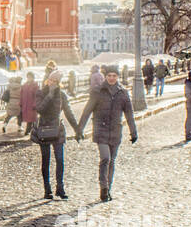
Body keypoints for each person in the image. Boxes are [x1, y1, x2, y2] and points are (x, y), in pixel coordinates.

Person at [77, 64, 138, 202]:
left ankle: (108, 188)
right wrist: (80, 129)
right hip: (101, 130)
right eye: (109, 75)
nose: (111, 78)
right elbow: (87, 111)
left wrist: (133, 132)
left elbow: (129, 114)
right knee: (105, 158)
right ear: (105, 76)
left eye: (114, 76)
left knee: (112, 161)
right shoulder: (97, 91)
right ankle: (103, 188)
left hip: (115, 131)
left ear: (117, 77)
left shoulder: (123, 92)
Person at [33, 69, 80, 200]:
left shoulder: (62, 95)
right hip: (43, 129)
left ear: (59, 83)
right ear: (47, 80)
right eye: (51, 80)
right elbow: (40, 109)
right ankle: (47, 189)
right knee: (45, 160)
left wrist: (77, 129)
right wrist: (49, 95)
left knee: (60, 160)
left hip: (57, 129)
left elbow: (69, 112)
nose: (52, 83)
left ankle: (60, 187)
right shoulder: (40, 93)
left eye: (55, 81)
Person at [20, 72, 39, 136]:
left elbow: (37, 96)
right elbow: (21, 94)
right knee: (29, 119)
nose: (29, 78)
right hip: (26, 105)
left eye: (30, 77)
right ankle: (31, 131)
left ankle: (29, 131)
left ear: (33, 78)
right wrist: (20, 103)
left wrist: (35, 104)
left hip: (31, 105)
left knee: (32, 119)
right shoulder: (25, 85)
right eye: (28, 77)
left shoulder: (35, 85)